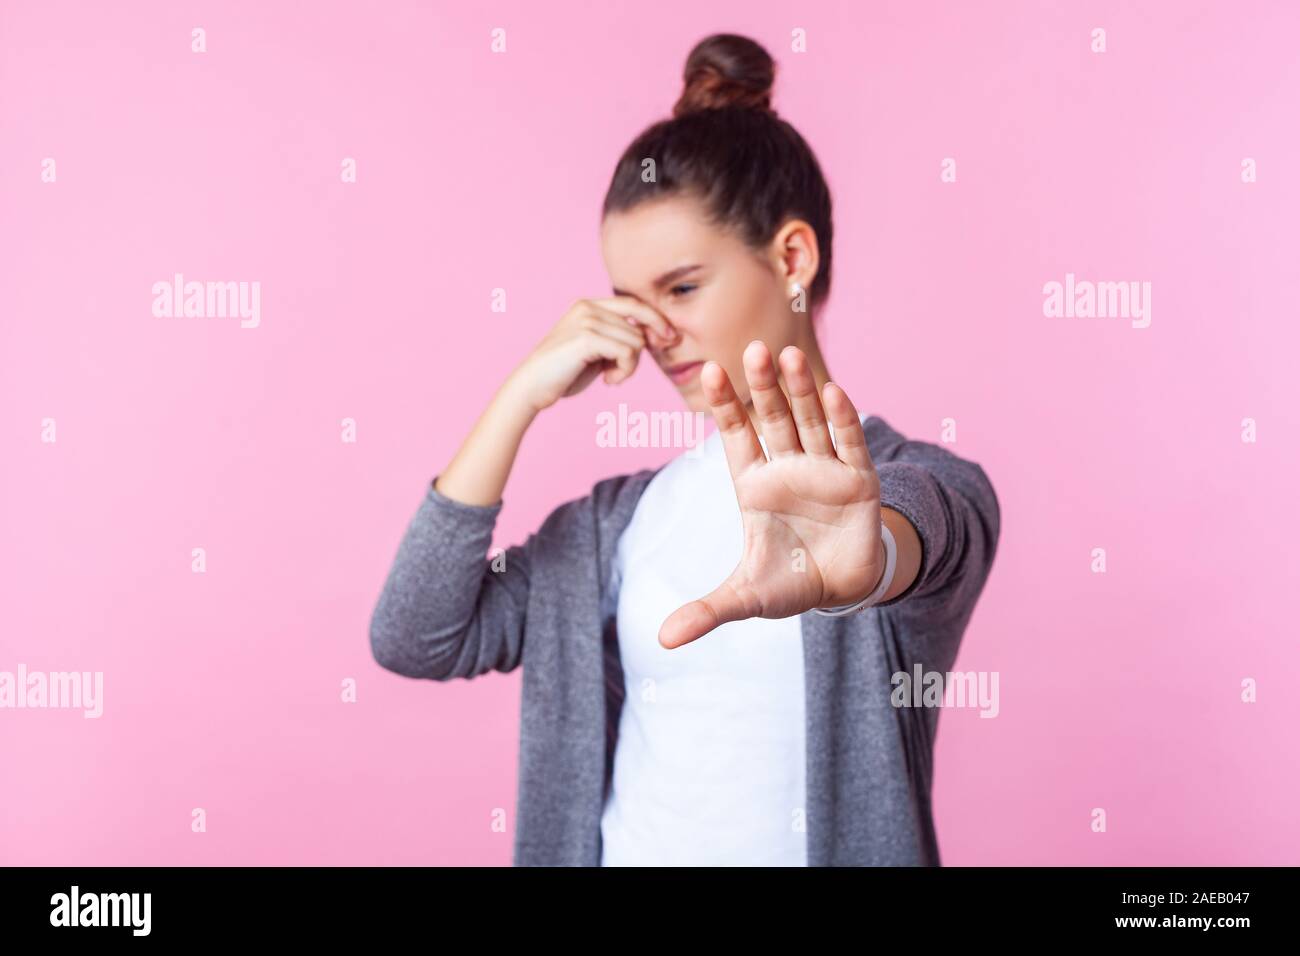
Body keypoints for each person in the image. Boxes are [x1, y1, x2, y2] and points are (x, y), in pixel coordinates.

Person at [370, 32, 1001, 866]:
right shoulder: (614, 525)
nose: (661, 333)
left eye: (683, 286)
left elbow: (934, 532)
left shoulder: (915, 485)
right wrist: (519, 396)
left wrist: (875, 556)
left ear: (792, 259)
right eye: (632, 302)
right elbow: (416, 634)